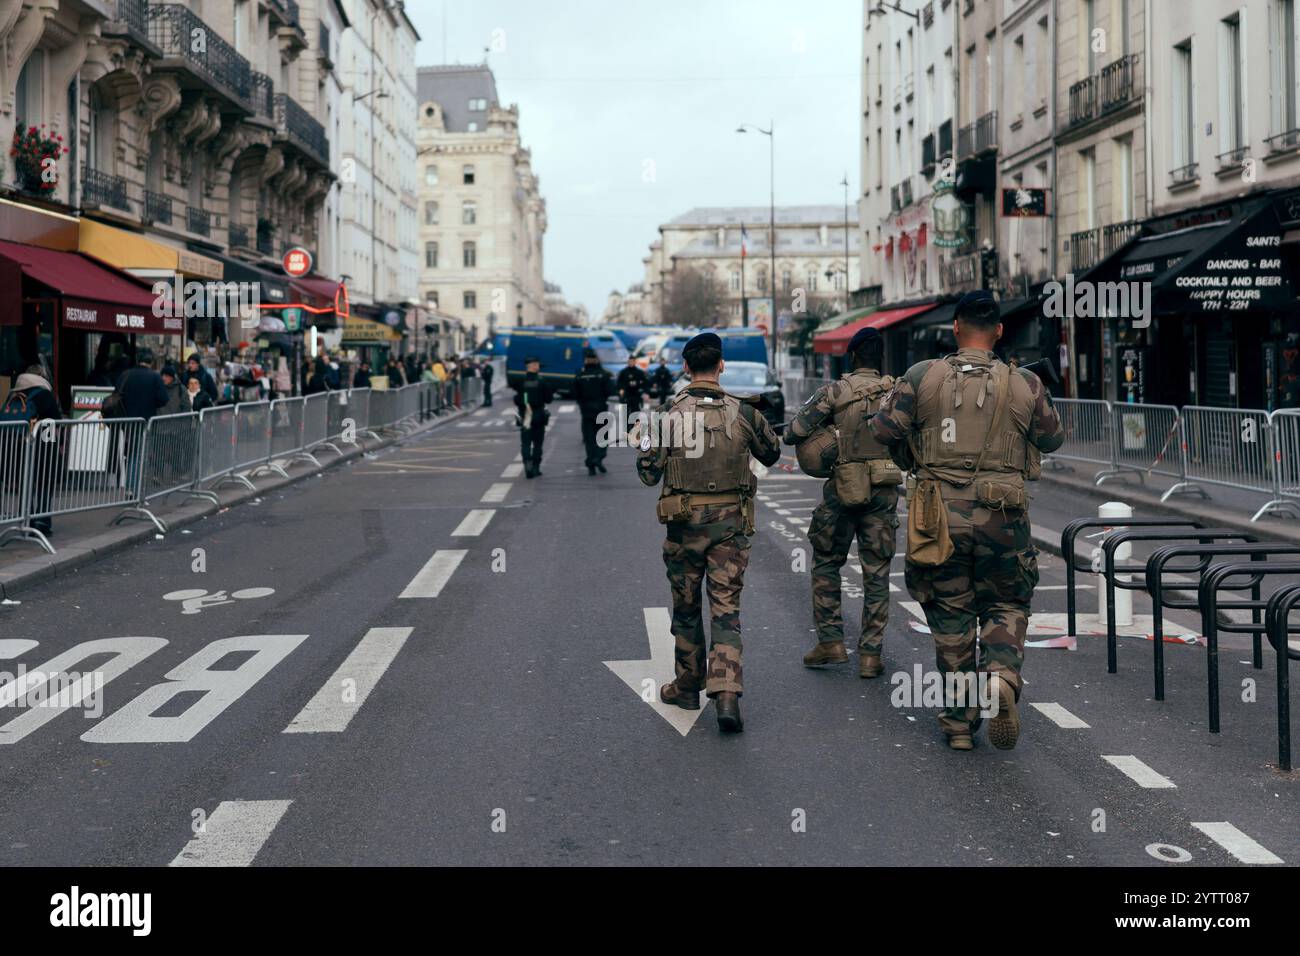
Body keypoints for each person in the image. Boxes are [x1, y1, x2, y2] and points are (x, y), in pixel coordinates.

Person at [871, 290, 1065, 752]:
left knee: (951, 613)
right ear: (999, 332)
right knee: (1007, 603)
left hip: (939, 518)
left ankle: (959, 722)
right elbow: (1052, 439)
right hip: (1005, 517)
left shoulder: (923, 376)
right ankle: (999, 676)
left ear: (954, 328)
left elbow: (882, 431)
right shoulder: (1024, 384)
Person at [637, 332, 781, 733]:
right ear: (721, 366)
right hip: (730, 528)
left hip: (684, 528)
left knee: (685, 608)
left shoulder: (667, 414)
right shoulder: (745, 413)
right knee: (726, 609)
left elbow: (648, 474)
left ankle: (686, 686)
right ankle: (727, 694)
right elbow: (771, 453)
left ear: (685, 367)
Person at [783, 327, 901, 679]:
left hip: (842, 490)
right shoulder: (897, 393)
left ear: (851, 357)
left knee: (826, 564)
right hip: (883, 491)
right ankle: (870, 655)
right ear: (881, 359)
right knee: (877, 573)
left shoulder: (834, 391)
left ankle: (831, 642)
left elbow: (794, 432)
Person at [1, 365, 63, 537]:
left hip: (17, 447)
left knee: (25, 483)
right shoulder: (44, 394)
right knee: (44, 482)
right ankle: (42, 522)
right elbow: (54, 421)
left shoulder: (13, 394)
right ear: (42, 375)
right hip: (42, 445)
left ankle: (25, 520)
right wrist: (57, 446)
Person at [113, 350, 168, 492]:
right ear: (151, 362)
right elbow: (164, 399)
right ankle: (132, 488)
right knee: (137, 456)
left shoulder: (125, 375)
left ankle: (130, 486)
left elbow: (116, 395)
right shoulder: (155, 377)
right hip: (145, 421)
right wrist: (150, 403)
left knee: (130, 453)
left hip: (126, 421)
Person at [573, 348, 613, 475]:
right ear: (596, 360)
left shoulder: (580, 375)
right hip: (601, 410)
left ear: (586, 360)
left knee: (589, 439)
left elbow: (574, 393)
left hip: (586, 411)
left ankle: (591, 464)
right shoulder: (604, 374)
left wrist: (582, 402)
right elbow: (611, 391)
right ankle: (598, 458)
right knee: (603, 437)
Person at [512, 356, 553, 479]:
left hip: (525, 415)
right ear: (533, 365)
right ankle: (536, 467)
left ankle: (527, 462)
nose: (538, 366)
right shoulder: (542, 381)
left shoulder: (520, 381)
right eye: (537, 364)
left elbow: (517, 399)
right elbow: (549, 399)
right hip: (538, 414)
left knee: (525, 442)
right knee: (538, 443)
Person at [616, 355, 649, 435]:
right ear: (628, 362)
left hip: (636, 395)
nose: (631, 363)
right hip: (626, 395)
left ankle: (635, 432)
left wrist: (646, 393)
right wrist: (620, 390)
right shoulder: (623, 372)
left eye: (633, 361)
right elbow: (619, 383)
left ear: (635, 362)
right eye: (630, 361)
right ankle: (627, 432)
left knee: (636, 414)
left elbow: (645, 383)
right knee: (626, 414)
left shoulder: (639, 372)